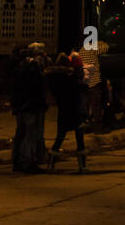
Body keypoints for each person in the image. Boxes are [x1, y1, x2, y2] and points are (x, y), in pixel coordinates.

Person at [46, 53, 88, 173]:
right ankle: (82, 165)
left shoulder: (54, 79)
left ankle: (51, 164)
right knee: (80, 139)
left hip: (63, 111)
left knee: (59, 138)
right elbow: (81, 87)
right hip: (74, 111)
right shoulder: (70, 78)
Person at [11, 44, 48, 172]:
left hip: (20, 105)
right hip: (31, 105)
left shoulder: (16, 69)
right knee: (31, 133)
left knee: (20, 133)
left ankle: (17, 161)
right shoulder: (32, 69)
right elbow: (38, 86)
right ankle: (28, 161)